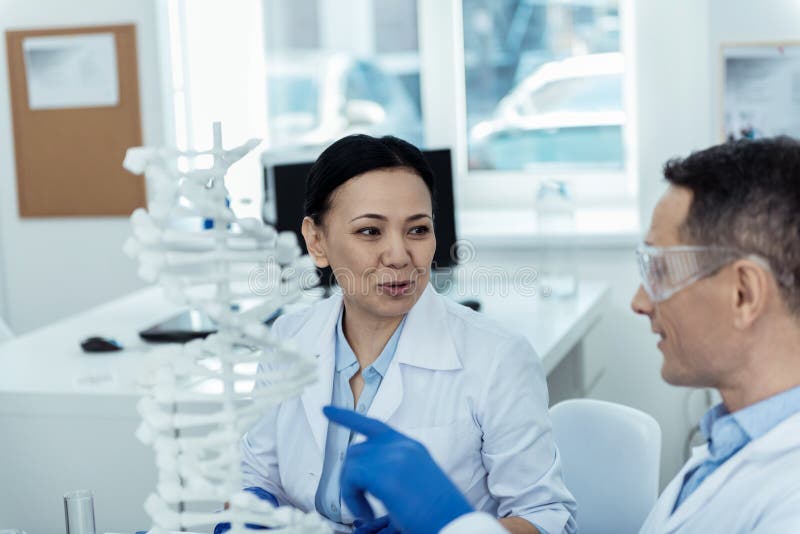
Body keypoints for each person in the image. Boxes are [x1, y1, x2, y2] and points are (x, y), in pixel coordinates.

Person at [324, 136, 800, 534]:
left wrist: (450, 522)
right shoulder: (733, 442)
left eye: (659, 270)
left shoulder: (788, 500)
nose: (639, 300)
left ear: (743, 293)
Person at [236, 134, 576, 533]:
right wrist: (247, 513)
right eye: (369, 232)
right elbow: (256, 476)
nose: (399, 256)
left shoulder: (498, 357)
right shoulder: (288, 338)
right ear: (316, 241)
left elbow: (549, 520)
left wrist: (446, 527)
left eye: (417, 230)